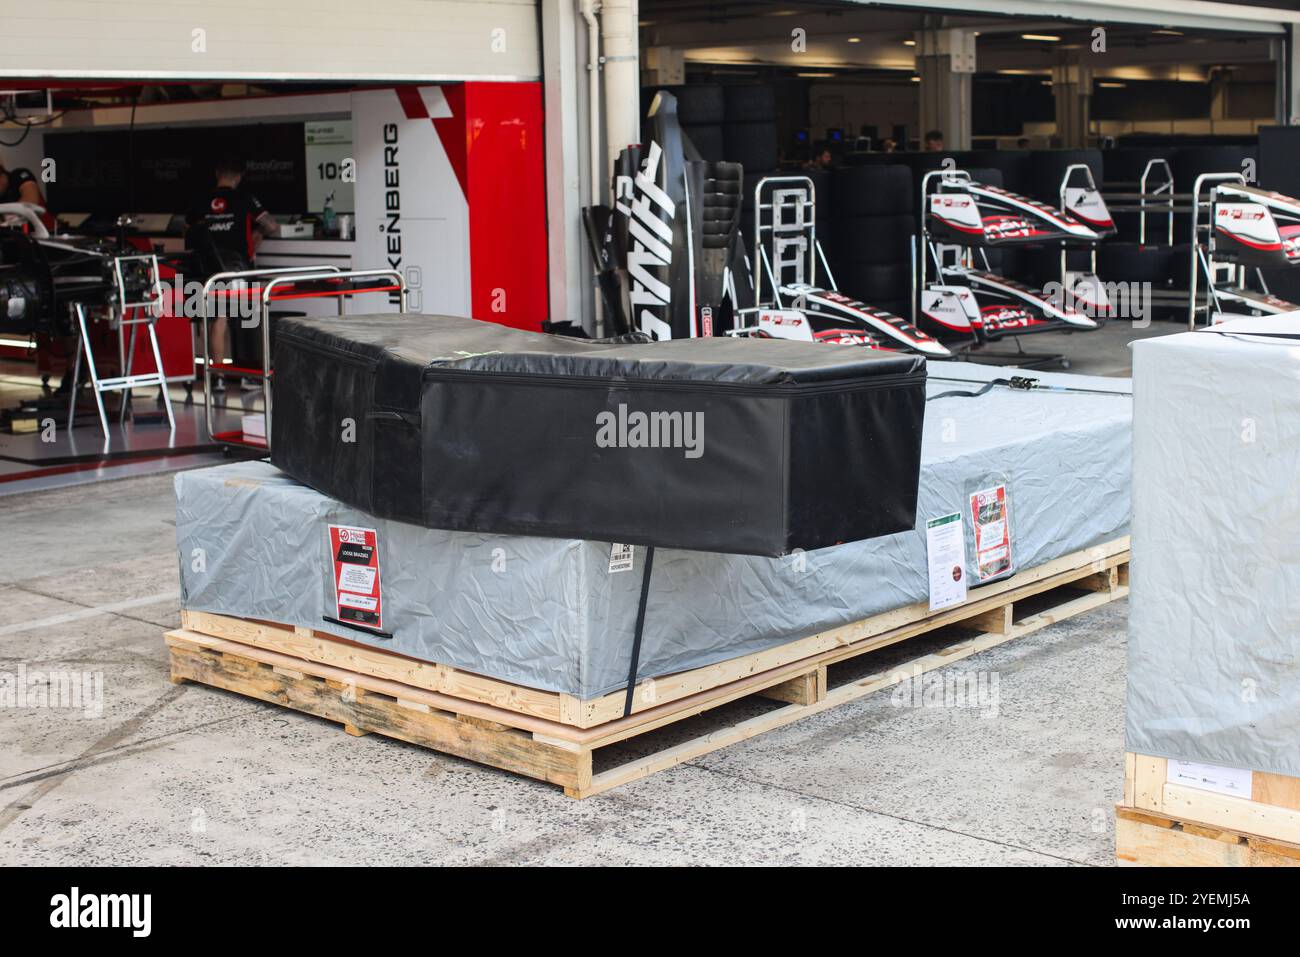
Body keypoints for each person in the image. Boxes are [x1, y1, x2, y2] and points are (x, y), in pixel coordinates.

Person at [186, 154, 280, 391]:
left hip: (209, 269)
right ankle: (248, 376)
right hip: (239, 268)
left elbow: (188, 233)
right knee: (246, 320)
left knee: (217, 320)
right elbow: (272, 226)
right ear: (239, 177)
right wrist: (258, 234)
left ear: (217, 174)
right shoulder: (244, 198)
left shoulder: (200, 200)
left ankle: (217, 377)